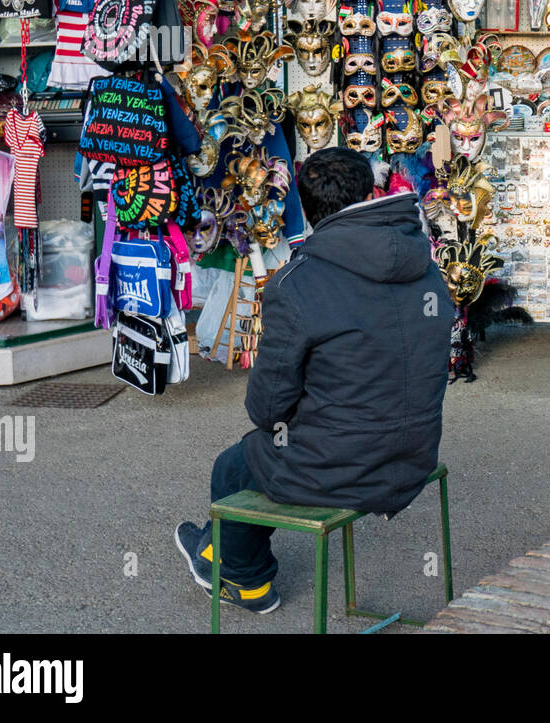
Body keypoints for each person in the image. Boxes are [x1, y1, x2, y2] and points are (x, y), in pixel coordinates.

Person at [175, 147, 455, 614]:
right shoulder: (423, 264)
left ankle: (245, 579)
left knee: (235, 465)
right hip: (416, 453)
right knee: (267, 451)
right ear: (371, 194)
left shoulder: (297, 283)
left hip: (344, 468)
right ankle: (215, 551)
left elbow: (265, 409)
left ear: (304, 209)